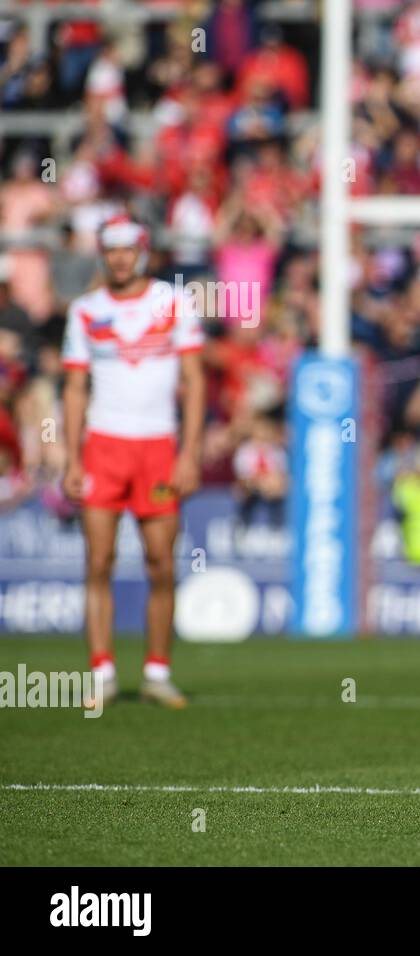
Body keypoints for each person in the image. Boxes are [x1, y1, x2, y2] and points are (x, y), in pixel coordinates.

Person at [61, 217, 206, 709]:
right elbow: (76, 387)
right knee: (98, 561)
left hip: (157, 447)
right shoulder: (86, 311)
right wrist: (71, 457)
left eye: (128, 249)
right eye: (111, 250)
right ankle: (101, 671)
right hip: (104, 444)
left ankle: (157, 671)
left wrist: (189, 452)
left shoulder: (172, 301)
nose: (120, 258)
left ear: (144, 251)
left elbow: (195, 381)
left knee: (161, 562)